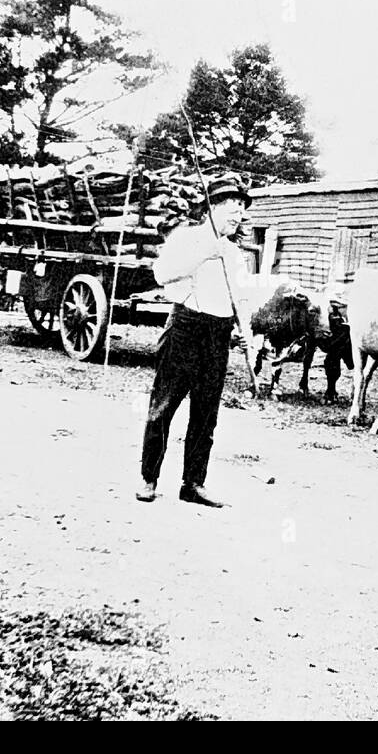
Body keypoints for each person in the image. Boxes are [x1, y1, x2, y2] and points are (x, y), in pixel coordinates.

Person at [136, 176, 253, 508]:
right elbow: (162, 274)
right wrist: (203, 254)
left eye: (241, 211)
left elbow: (240, 297)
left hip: (219, 333)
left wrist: (245, 332)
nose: (238, 216)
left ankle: (193, 484)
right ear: (213, 208)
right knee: (164, 406)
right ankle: (149, 478)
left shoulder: (233, 252)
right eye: (232, 209)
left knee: (206, 413)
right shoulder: (187, 238)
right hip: (185, 326)